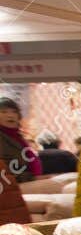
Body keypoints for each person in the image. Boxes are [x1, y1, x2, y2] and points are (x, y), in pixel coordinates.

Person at [0, 96, 39, 225]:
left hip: (24, 179)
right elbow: (7, 169)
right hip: (16, 184)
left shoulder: (16, 136)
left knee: (64, 180)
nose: (10, 115)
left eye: (13, 111)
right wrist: (30, 177)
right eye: (4, 112)